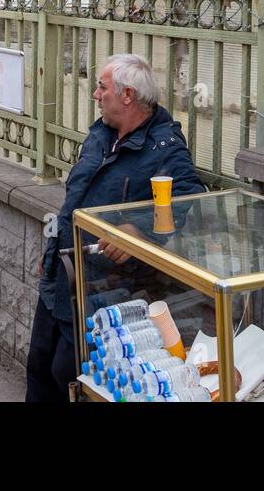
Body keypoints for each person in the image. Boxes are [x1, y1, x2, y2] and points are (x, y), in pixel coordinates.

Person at [25, 53, 205, 403]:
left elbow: (188, 196)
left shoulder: (165, 146)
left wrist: (138, 230)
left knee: (71, 374)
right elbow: (73, 200)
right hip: (62, 273)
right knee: (39, 365)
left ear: (127, 95)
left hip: (102, 288)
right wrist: (50, 252)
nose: (95, 95)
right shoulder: (101, 134)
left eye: (101, 87)